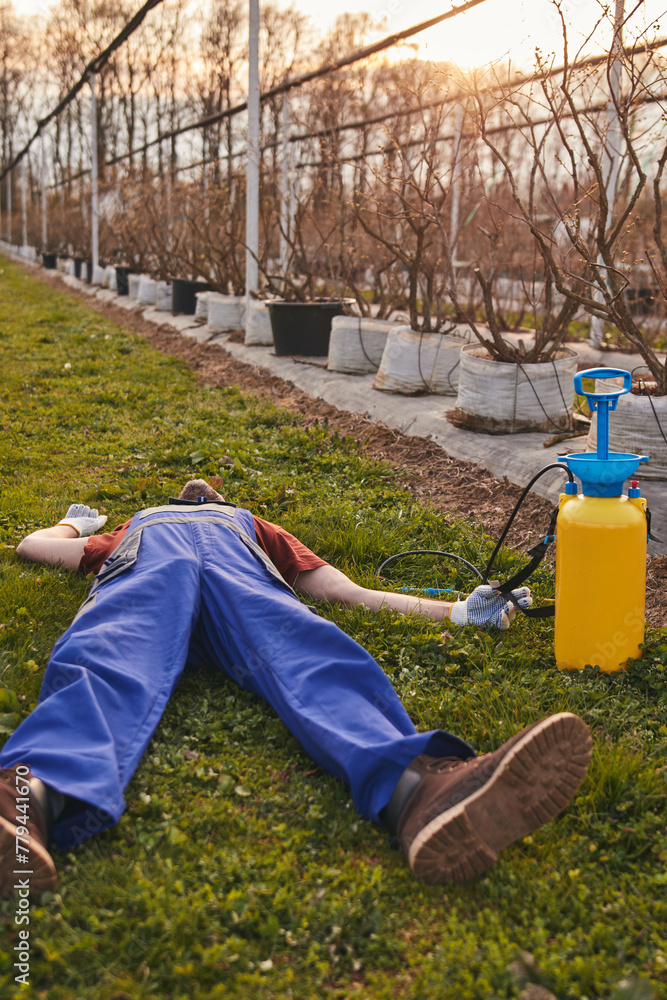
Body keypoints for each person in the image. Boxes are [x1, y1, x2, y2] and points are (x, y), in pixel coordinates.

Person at [0, 481, 592, 897]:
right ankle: (24, 806)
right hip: (155, 573)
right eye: (193, 489)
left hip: (226, 582)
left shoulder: (255, 527)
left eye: (204, 490)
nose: (197, 487)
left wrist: (459, 613)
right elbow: (33, 546)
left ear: (221, 502)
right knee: (109, 655)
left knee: (307, 650)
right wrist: (79, 523)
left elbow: (344, 592)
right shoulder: (141, 525)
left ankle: (421, 795)